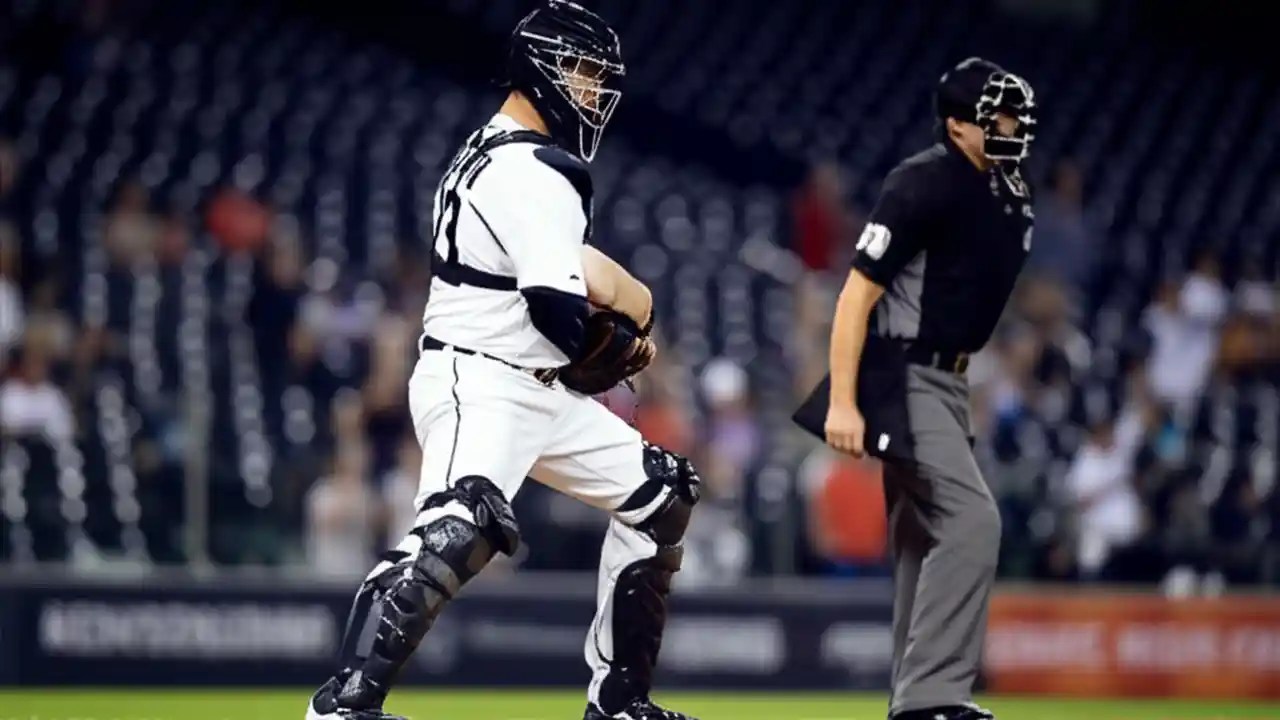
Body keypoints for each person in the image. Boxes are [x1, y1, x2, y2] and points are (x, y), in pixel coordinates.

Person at [306, 4, 701, 720]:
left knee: (661, 498)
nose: (592, 91)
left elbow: (556, 266)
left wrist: (619, 298)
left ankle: (617, 701)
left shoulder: (496, 148)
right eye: (583, 73)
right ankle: (342, 707)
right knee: (460, 525)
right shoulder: (537, 166)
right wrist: (622, 328)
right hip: (481, 378)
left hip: (532, 386)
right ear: (544, 70)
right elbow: (556, 310)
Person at [807, 58, 1037, 720]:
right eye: (998, 116)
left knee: (920, 535)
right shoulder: (923, 180)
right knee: (971, 521)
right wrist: (844, 401)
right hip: (902, 370)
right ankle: (932, 699)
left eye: (1016, 116)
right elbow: (855, 295)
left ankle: (910, 702)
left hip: (950, 377)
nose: (1012, 127)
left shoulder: (1005, 190)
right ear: (958, 124)